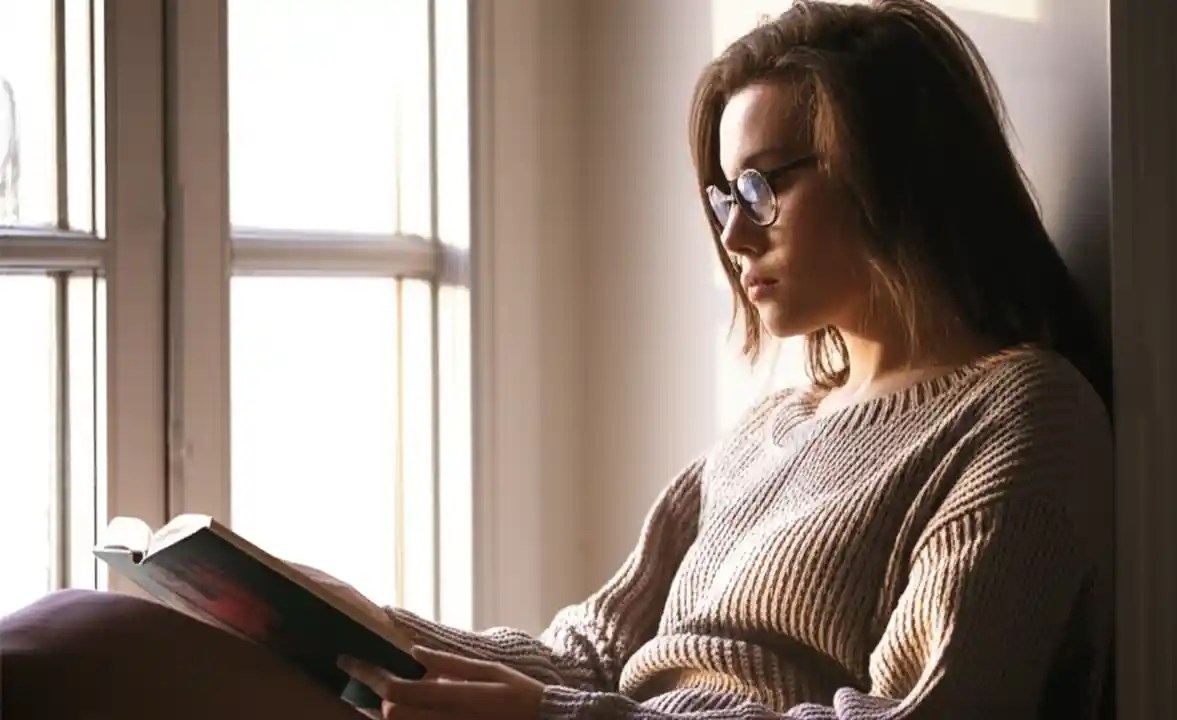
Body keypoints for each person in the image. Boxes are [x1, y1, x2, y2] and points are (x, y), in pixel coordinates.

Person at [0, 1, 1112, 719]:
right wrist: (356, 615)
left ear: (896, 173)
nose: (732, 232)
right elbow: (587, 655)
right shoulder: (777, 427)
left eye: (766, 184)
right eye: (722, 194)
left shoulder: (1020, 415)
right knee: (62, 628)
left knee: (64, 655)